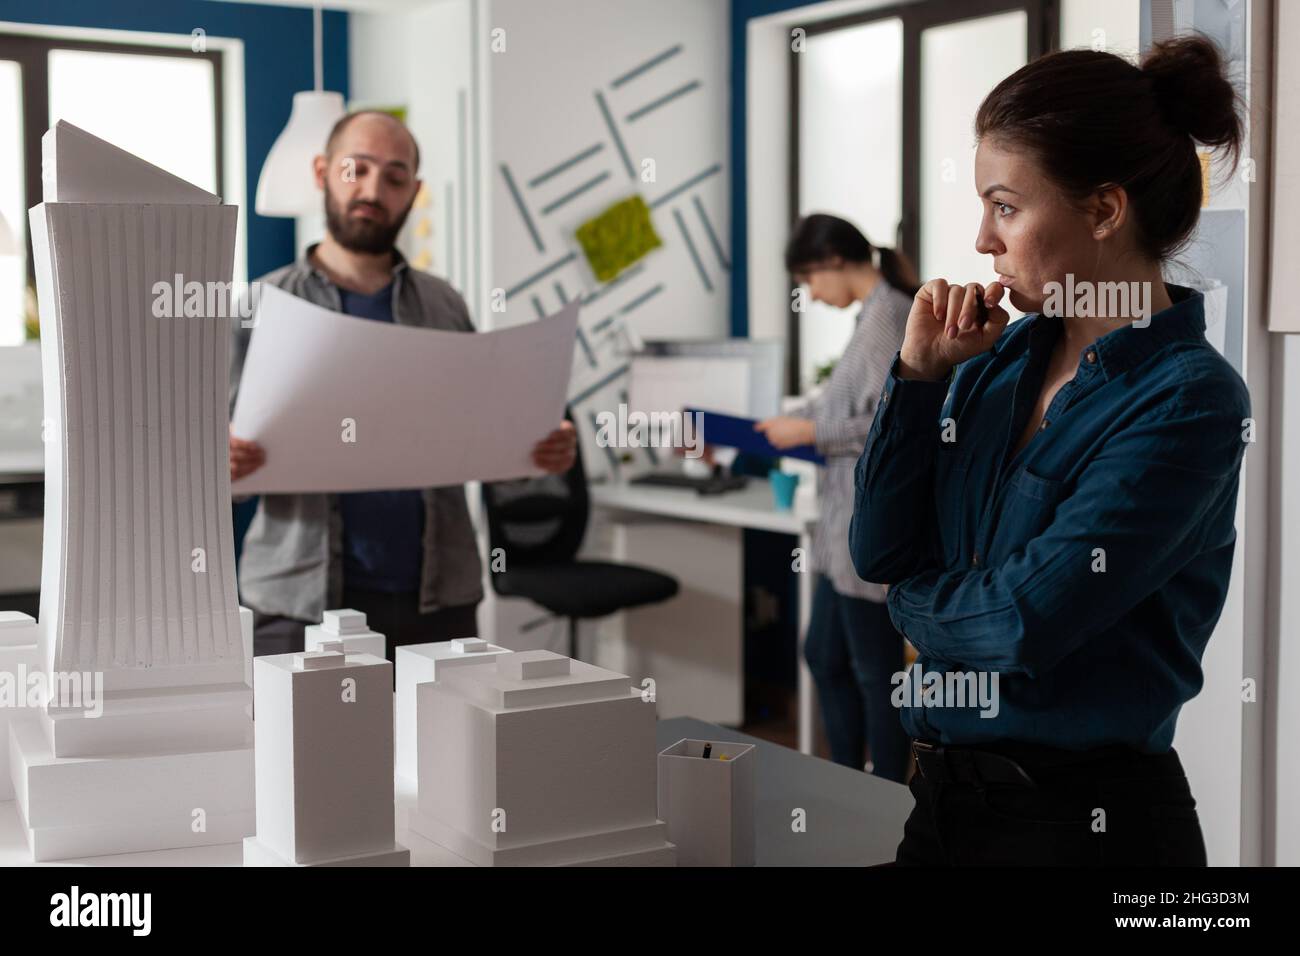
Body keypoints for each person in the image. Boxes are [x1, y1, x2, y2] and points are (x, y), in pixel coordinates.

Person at [851, 35, 1249, 865]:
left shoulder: (1188, 401)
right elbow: (879, 548)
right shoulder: (992, 362)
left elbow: (1022, 621)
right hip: (942, 806)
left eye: (1005, 206)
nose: (983, 241)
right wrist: (919, 378)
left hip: (1082, 830)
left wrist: (908, 603)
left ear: (1104, 210)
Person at [228, 110, 576, 661]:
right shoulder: (261, 306)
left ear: (413, 192)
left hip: (438, 597)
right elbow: (213, 464)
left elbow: (480, 440)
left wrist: (537, 452)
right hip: (297, 597)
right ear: (322, 173)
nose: (373, 189)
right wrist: (221, 462)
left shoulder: (444, 304)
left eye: (394, 177)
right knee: (302, 750)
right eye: (356, 169)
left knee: (440, 749)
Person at [754, 214, 915, 781]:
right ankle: (844, 778)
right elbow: (842, 410)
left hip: (864, 534)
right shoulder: (871, 318)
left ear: (829, 262)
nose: (810, 295)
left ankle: (886, 793)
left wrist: (809, 433)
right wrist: (774, 429)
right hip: (841, 532)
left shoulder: (887, 317)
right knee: (824, 656)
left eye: (807, 281)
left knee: (874, 673)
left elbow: (888, 422)